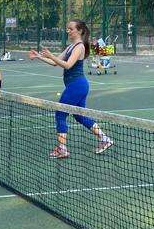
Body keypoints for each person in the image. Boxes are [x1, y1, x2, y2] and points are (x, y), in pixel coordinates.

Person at [28, 19, 113, 159]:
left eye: (71, 29)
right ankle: (105, 139)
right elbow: (54, 63)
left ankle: (62, 149)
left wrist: (51, 55)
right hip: (76, 86)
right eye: (67, 29)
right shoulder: (70, 47)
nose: (68, 31)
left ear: (79, 31)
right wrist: (39, 56)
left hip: (77, 86)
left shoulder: (79, 47)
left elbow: (67, 65)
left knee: (60, 114)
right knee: (79, 116)